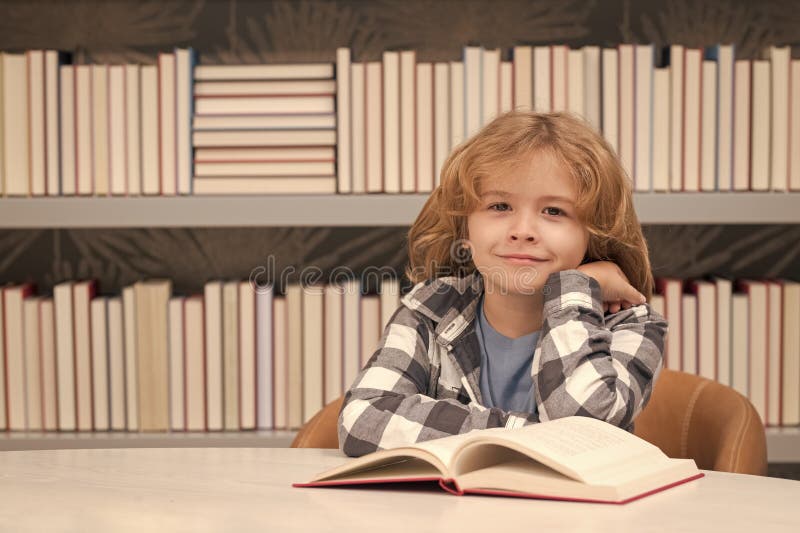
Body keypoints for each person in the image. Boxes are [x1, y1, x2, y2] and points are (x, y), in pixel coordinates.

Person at [337, 110, 668, 457]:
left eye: (554, 211)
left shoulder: (634, 326)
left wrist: (576, 287)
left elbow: (585, 429)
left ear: (595, 232)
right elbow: (363, 421)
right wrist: (532, 436)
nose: (522, 230)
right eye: (499, 205)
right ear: (465, 226)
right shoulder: (429, 311)